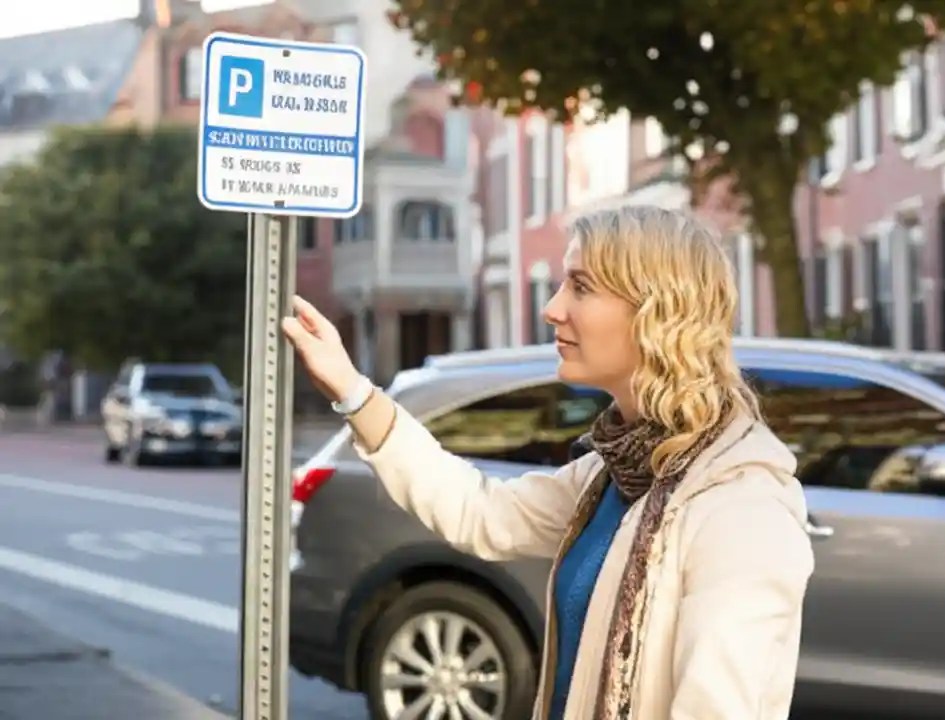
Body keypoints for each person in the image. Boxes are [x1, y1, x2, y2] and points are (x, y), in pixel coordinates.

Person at [282, 205, 815, 720]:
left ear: (657, 310)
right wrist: (352, 391)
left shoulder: (740, 508)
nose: (552, 307)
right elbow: (480, 512)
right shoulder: (617, 472)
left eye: (581, 287)